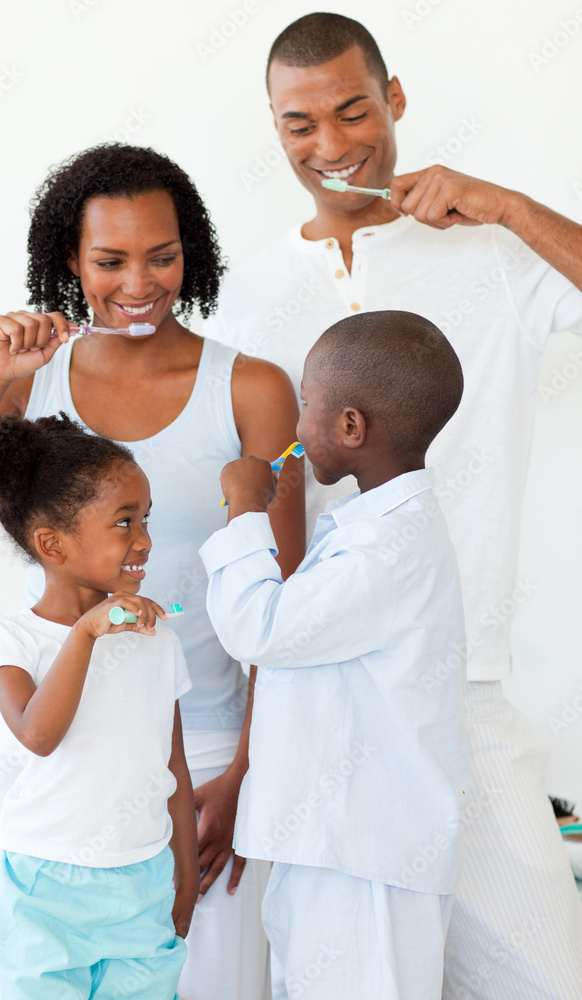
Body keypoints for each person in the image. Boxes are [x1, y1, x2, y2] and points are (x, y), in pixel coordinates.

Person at [203, 13, 582, 998]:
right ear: (274, 129)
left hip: (465, 687)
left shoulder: (495, 255)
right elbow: (268, 531)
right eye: (300, 124)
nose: (331, 146)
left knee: (546, 975)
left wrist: (504, 204)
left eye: (352, 109)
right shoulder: (250, 303)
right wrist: (249, 756)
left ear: (394, 99)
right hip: (322, 708)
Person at [0, 143, 305, 999]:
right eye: (109, 260)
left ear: (191, 253)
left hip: (197, 746)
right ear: (70, 259)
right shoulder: (30, 376)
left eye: (162, 256)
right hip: (37, 744)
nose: (139, 282)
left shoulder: (251, 389)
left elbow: (285, 605)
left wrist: (249, 773)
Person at [200, 311, 469, 999]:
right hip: (336, 846)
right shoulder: (372, 532)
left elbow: (260, 629)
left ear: (350, 428)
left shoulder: (384, 549)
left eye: (307, 407)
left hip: (364, 857)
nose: (295, 428)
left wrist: (243, 509)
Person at [0, 412, 196, 999]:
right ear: (52, 544)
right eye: (124, 522)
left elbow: (174, 769)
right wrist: (85, 634)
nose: (143, 539)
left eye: (145, 520)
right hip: (44, 882)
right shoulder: (9, 641)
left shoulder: (158, 639)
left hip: (141, 879)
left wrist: (183, 878)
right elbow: (38, 734)